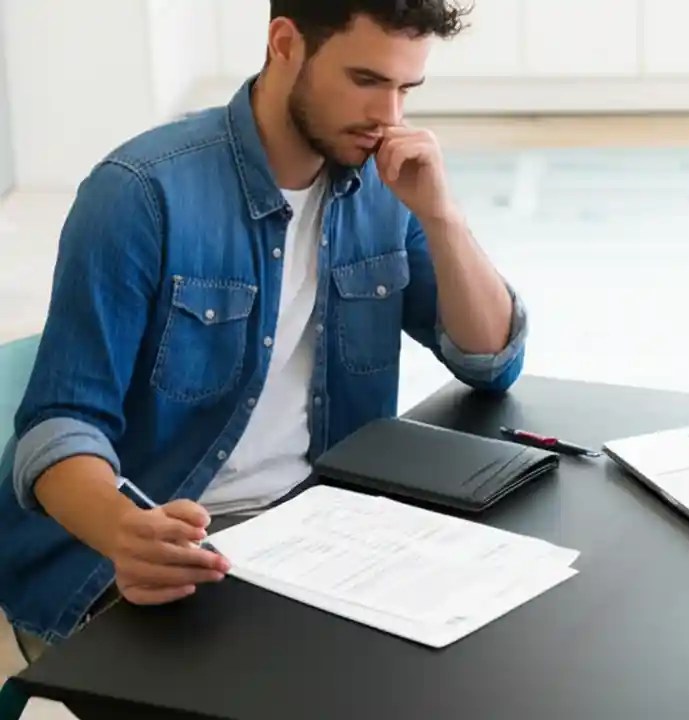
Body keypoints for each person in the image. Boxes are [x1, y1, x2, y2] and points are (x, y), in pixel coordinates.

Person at [0, 0, 526, 658]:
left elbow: (489, 359)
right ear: (284, 43)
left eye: (405, 89)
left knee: (488, 654)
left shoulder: (384, 185)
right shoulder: (140, 193)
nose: (388, 116)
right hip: (143, 555)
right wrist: (124, 532)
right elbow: (59, 425)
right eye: (365, 80)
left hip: (316, 534)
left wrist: (442, 216)